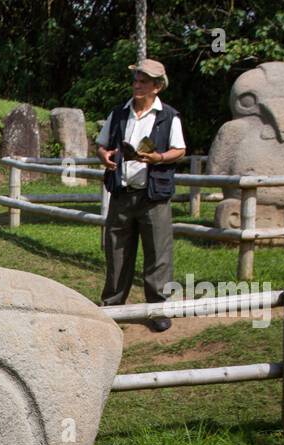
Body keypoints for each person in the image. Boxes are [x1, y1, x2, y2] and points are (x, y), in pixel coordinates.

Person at [95, 58, 187, 331]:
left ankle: (158, 310)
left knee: (158, 254)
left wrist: (157, 157)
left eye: (143, 81)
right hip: (122, 193)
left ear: (157, 87)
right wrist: (105, 156)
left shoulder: (169, 116)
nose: (137, 85)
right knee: (116, 252)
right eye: (135, 80)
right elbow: (101, 145)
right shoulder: (118, 113)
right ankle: (112, 307)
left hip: (153, 196)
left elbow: (179, 150)